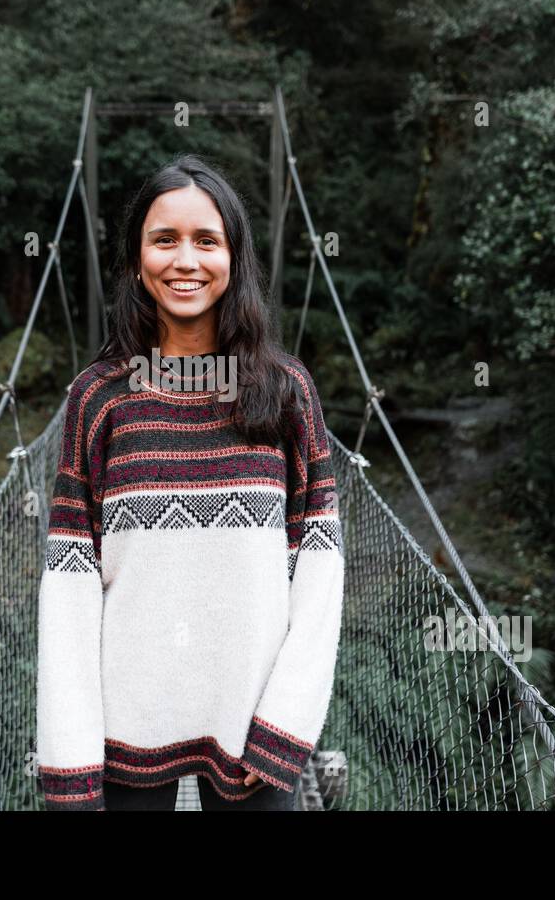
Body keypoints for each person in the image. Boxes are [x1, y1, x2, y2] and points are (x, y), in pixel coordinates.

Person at [34, 153, 345, 811]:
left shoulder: (286, 394)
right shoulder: (98, 400)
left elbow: (320, 568)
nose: (185, 260)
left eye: (207, 240)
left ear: (236, 257)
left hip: (253, 726)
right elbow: (69, 579)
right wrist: (69, 761)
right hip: (124, 729)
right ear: (135, 260)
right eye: (164, 239)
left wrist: (285, 728)